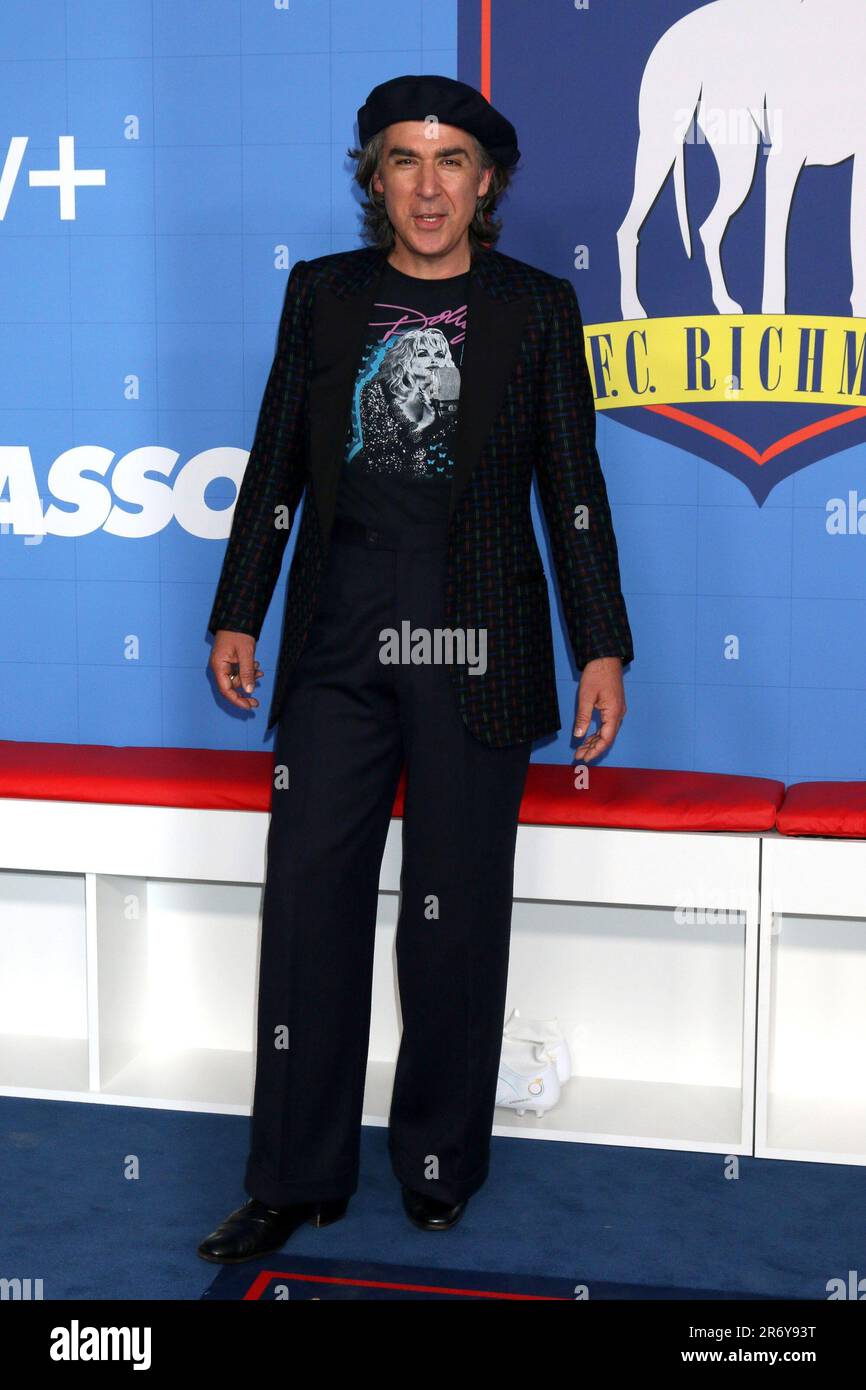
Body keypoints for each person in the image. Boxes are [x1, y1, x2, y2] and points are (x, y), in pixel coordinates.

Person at [197, 74, 634, 1263]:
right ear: (373, 177)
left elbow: (572, 489)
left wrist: (601, 641)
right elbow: (277, 460)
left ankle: (438, 1161)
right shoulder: (323, 296)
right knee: (308, 906)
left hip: (474, 631)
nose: (427, 185)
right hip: (341, 627)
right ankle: (295, 1175)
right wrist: (240, 609)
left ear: (486, 182)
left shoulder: (538, 308)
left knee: (452, 915)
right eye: (402, 160)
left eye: (450, 162)